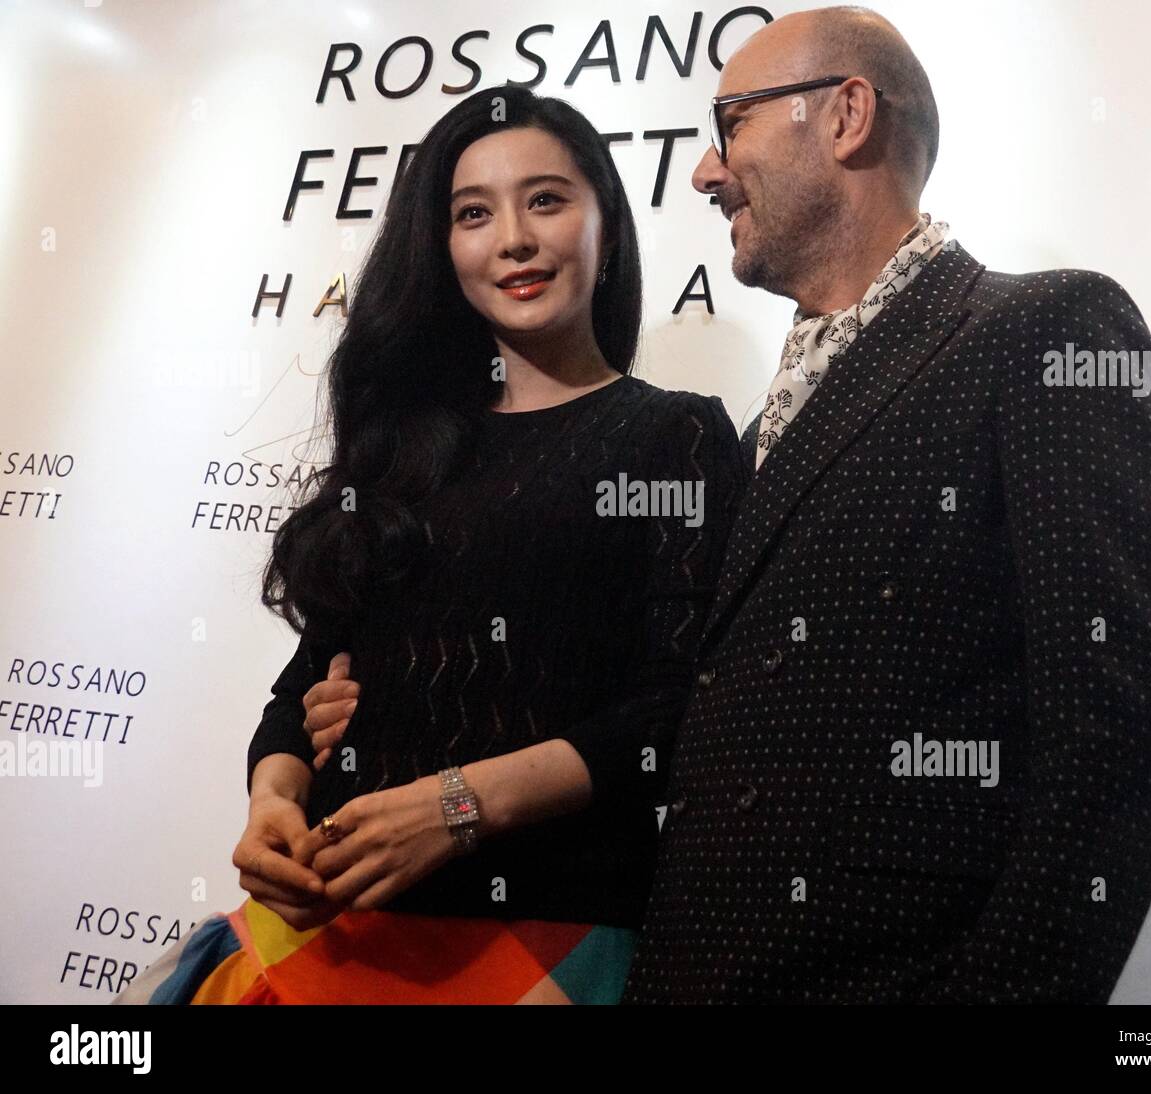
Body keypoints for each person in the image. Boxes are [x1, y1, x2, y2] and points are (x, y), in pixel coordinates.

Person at [113, 84, 745, 1005]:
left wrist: (456, 808)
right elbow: (307, 681)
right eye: (473, 214)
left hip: (547, 943)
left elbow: (669, 714)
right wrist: (271, 807)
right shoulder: (403, 444)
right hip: (320, 936)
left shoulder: (676, 437)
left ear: (606, 219)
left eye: (547, 200)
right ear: (442, 248)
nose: (514, 240)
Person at [618, 6, 1151, 1003]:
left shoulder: (1044, 330)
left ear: (844, 116)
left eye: (731, 126)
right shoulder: (757, 431)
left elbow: (1112, 738)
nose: (706, 173)